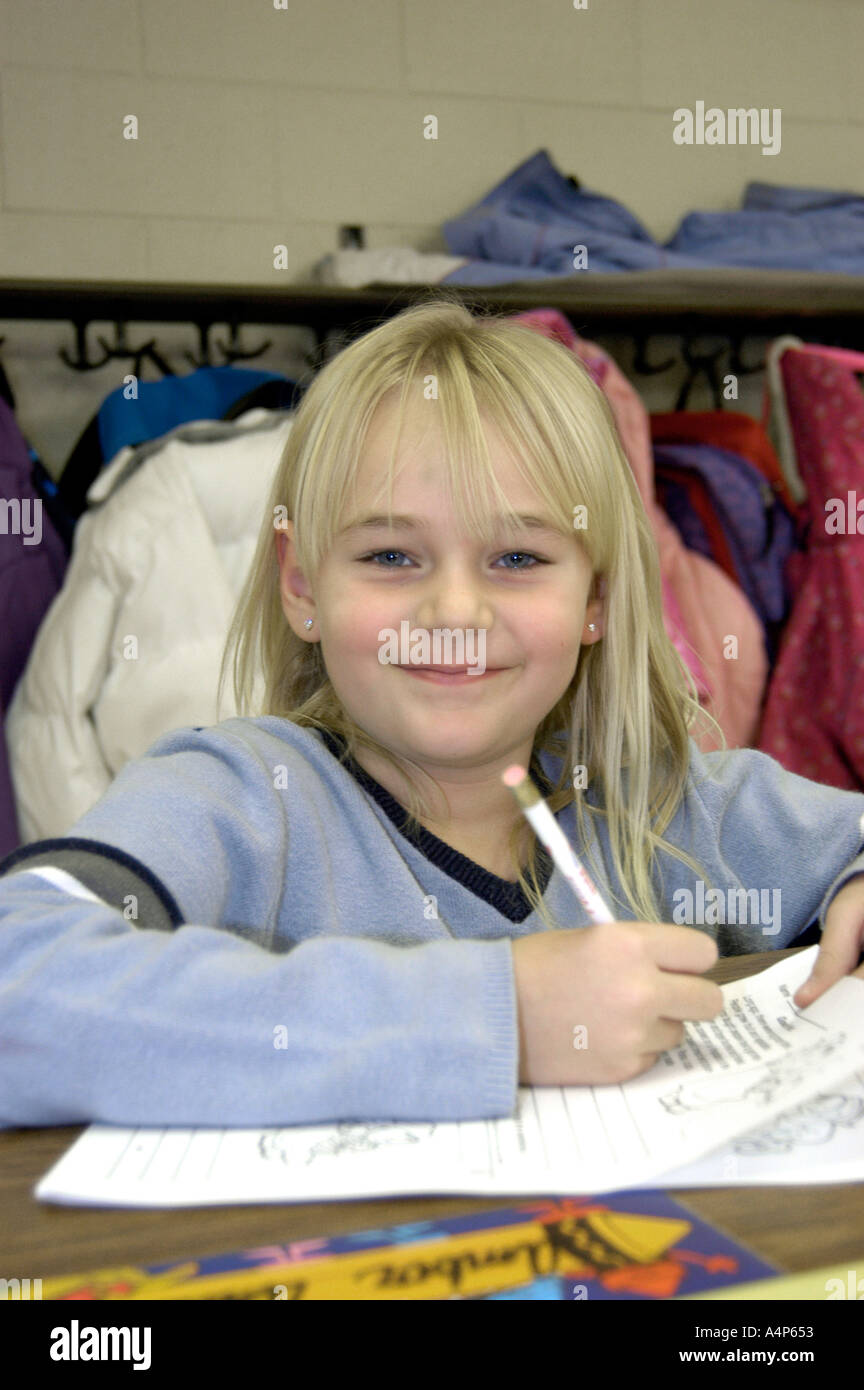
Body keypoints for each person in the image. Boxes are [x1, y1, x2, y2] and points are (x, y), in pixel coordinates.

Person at [1, 293, 863, 1130]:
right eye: (391, 554)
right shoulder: (240, 799)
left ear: (595, 596)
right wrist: (504, 1017)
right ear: (302, 584)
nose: (455, 613)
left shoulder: (678, 809)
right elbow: (18, 990)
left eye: (518, 556)